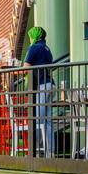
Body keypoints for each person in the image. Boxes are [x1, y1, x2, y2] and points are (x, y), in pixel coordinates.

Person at [25, 25, 55, 156]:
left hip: (41, 85)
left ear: (34, 36)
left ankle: (34, 151)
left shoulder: (34, 48)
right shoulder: (47, 49)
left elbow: (26, 67)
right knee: (48, 121)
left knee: (37, 119)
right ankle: (50, 152)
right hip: (50, 84)